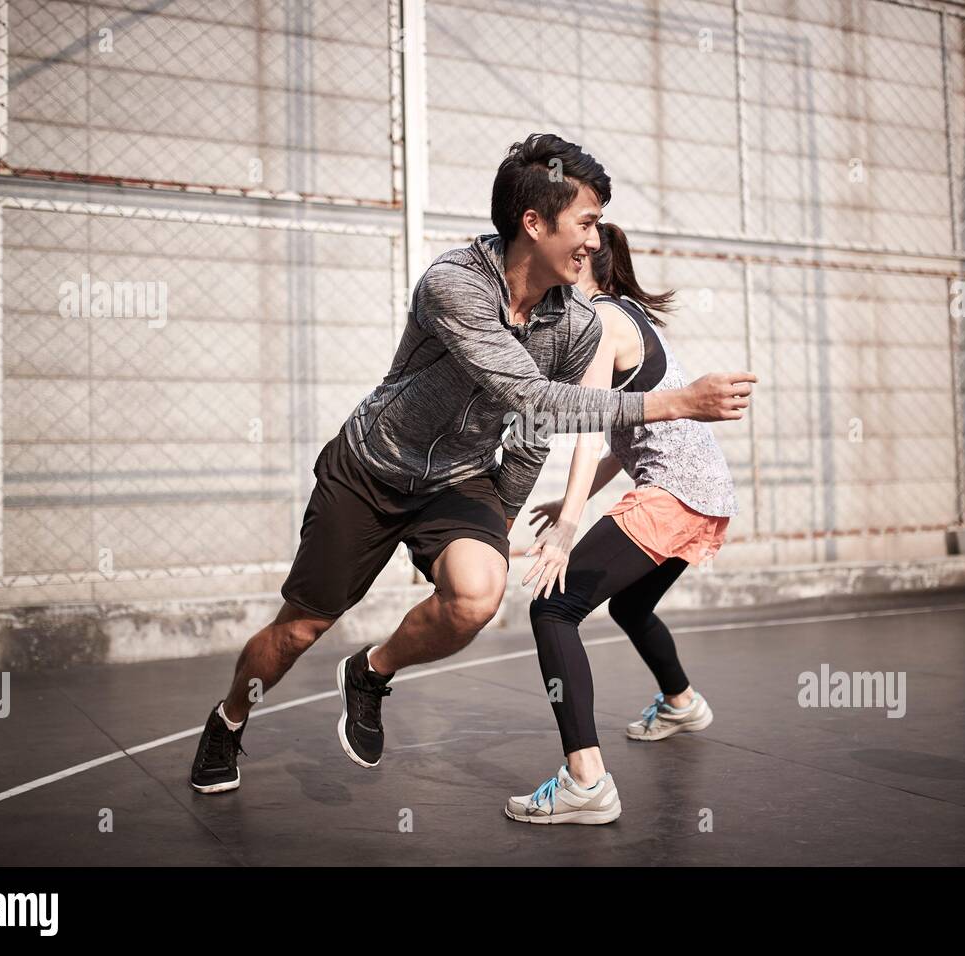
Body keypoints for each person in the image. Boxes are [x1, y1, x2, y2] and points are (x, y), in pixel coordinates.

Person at [189, 135, 756, 793]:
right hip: (371, 468)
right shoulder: (454, 285)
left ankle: (371, 672)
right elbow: (530, 394)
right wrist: (676, 402)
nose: (596, 243)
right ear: (534, 222)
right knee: (299, 631)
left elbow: (535, 429)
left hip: (458, 478)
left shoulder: (577, 326)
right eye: (587, 223)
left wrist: (499, 525)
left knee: (478, 594)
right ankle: (228, 721)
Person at [505, 222, 739, 824]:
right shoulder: (627, 315)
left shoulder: (602, 321)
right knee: (630, 607)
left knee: (554, 609)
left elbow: (585, 428)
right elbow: (625, 436)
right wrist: (568, 503)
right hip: (705, 495)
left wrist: (568, 529)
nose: (563, 265)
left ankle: (585, 783)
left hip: (672, 494)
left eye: (575, 255)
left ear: (590, 267)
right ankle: (681, 701)